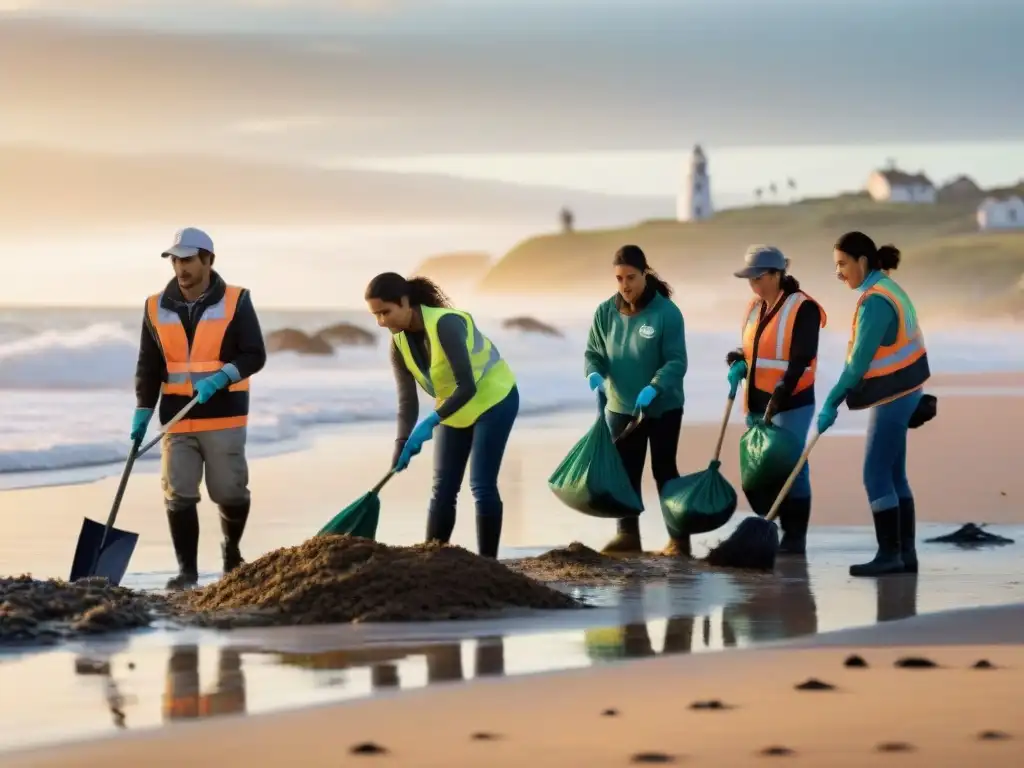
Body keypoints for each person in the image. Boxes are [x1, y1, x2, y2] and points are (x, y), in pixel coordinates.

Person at [133, 227, 267, 590]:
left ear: (208, 260)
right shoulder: (154, 306)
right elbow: (149, 364)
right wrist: (143, 409)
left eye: (188, 259)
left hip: (223, 415)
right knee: (178, 492)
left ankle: (231, 550)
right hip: (176, 417)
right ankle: (187, 571)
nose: (181, 267)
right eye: (175, 259)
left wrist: (223, 376)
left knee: (230, 492)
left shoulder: (237, 300)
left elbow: (255, 354)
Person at [365, 272, 519, 558]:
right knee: (443, 488)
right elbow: (407, 401)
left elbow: (467, 386)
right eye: (376, 315)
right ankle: (433, 561)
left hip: (494, 398)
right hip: (454, 407)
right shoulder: (398, 344)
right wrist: (402, 442)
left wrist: (431, 422)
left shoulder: (446, 324)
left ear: (404, 302)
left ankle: (489, 565)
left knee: (481, 484)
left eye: (385, 312)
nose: (381, 322)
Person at [817, 231, 930, 577]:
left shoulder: (876, 301)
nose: (838, 273)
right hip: (908, 390)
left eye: (842, 264)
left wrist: (832, 401)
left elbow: (857, 365)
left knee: (875, 475)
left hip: (894, 396)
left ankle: (889, 554)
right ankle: (905, 554)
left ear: (861, 262)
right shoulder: (889, 289)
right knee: (895, 474)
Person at [584, 245, 688, 555]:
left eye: (631, 277)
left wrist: (654, 387)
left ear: (645, 274)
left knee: (664, 471)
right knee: (625, 473)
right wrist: (593, 372)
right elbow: (593, 352)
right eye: (619, 278)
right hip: (620, 406)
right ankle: (628, 536)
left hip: (663, 406)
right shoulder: (605, 312)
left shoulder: (666, 313)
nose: (625, 285)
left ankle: (679, 539)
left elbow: (677, 361)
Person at [726, 245, 826, 555]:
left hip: (792, 402)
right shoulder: (754, 307)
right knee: (762, 468)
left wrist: (783, 390)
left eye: (757, 277)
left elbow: (802, 356)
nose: (752, 284)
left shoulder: (802, 307)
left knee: (792, 468)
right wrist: (737, 360)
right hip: (755, 402)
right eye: (749, 278)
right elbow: (754, 349)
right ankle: (772, 530)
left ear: (776, 274)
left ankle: (795, 537)